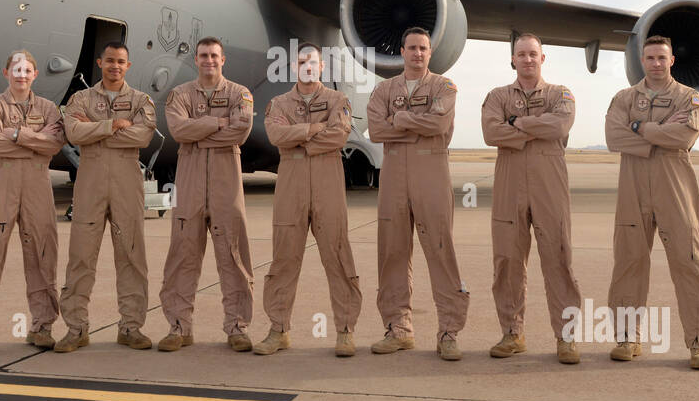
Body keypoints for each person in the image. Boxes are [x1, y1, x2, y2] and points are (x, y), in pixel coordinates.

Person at [604, 35, 699, 370]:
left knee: (691, 262)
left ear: (672, 61)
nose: (656, 63)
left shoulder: (689, 98)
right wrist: (657, 134)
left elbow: (685, 135)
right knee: (629, 263)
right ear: (642, 60)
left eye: (661, 58)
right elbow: (613, 137)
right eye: (650, 58)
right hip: (633, 188)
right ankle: (627, 338)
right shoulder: (623, 97)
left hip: (674, 187)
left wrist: (638, 129)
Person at [367, 27, 469, 361]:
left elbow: (439, 126)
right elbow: (377, 130)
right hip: (394, 175)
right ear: (402, 51)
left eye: (423, 48)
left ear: (430, 51)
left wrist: (400, 120)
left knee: (441, 250)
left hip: (431, 173)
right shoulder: (384, 89)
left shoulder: (445, 86)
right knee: (392, 253)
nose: (418, 53)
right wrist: (417, 125)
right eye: (412, 48)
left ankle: (449, 332)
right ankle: (398, 330)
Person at [254, 42, 362, 358]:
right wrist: (316, 129)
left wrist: (299, 138)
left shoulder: (337, 100)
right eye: (301, 61)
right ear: (293, 67)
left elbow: (339, 135)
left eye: (312, 62)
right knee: (284, 257)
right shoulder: (279, 103)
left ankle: (345, 331)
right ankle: (278, 329)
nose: (307, 67)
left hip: (328, 179)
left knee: (338, 254)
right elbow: (275, 136)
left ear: (322, 67)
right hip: (291, 181)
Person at [480, 33, 583, 363]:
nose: (527, 59)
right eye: (520, 54)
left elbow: (560, 125)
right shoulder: (496, 96)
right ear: (513, 59)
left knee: (558, 257)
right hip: (510, 181)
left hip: (548, 181)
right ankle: (512, 333)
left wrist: (518, 124)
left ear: (543, 58)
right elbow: (491, 133)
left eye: (532, 54)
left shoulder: (560, 94)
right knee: (508, 260)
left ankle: (566, 337)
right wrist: (534, 129)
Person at [0, 50, 65, 359]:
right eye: (16, 69)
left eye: (27, 70)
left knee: (42, 255)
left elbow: (56, 143)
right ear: (6, 72)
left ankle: (41, 327)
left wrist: (17, 134)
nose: (21, 74)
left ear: (35, 74)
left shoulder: (49, 108)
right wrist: (36, 143)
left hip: (36, 186)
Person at [56, 42, 157, 352]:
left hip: (127, 180)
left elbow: (144, 134)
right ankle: (76, 329)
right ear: (100, 62)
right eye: (110, 60)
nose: (115, 66)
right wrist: (112, 125)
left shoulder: (141, 100)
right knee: (81, 257)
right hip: (91, 180)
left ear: (128, 65)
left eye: (121, 61)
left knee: (131, 255)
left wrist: (95, 130)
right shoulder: (81, 98)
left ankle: (130, 327)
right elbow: (73, 132)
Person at [156, 37, 256, 352]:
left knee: (233, 256)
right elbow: (179, 131)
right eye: (203, 55)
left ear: (222, 59)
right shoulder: (179, 94)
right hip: (190, 186)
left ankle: (237, 327)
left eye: (214, 55)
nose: (208, 60)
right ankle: (178, 327)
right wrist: (218, 123)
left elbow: (241, 131)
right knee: (182, 257)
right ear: (195, 60)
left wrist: (199, 133)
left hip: (227, 186)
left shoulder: (241, 94)